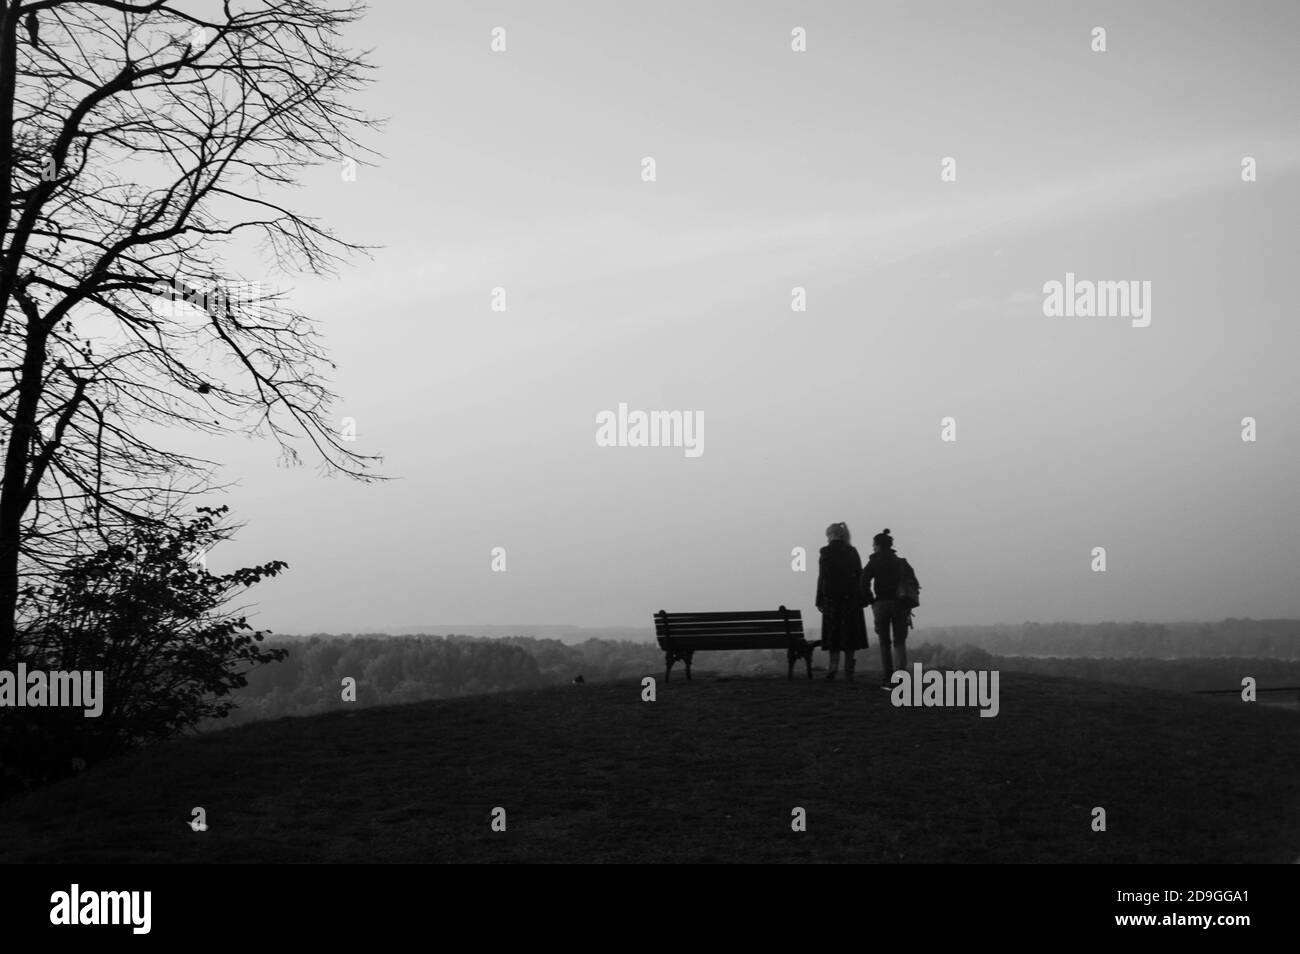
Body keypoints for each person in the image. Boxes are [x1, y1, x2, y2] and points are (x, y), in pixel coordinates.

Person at [860, 528, 913, 689]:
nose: (873, 548)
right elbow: (912, 581)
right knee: (899, 642)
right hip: (900, 604)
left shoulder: (873, 562)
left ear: (878, 546)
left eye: (874, 545)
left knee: (884, 643)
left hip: (881, 604)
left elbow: (863, 582)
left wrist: (871, 600)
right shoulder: (901, 562)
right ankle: (901, 678)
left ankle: (888, 679)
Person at [815, 522, 868, 681]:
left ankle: (833, 667)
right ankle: (849, 670)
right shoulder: (851, 552)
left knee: (833, 635)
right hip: (850, 599)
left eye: (827, 535)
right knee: (849, 635)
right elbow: (860, 575)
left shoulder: (825, 553)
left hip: (831, 599)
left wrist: (819, 598)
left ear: (832, 535)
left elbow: (822, 577)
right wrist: (862, 596)